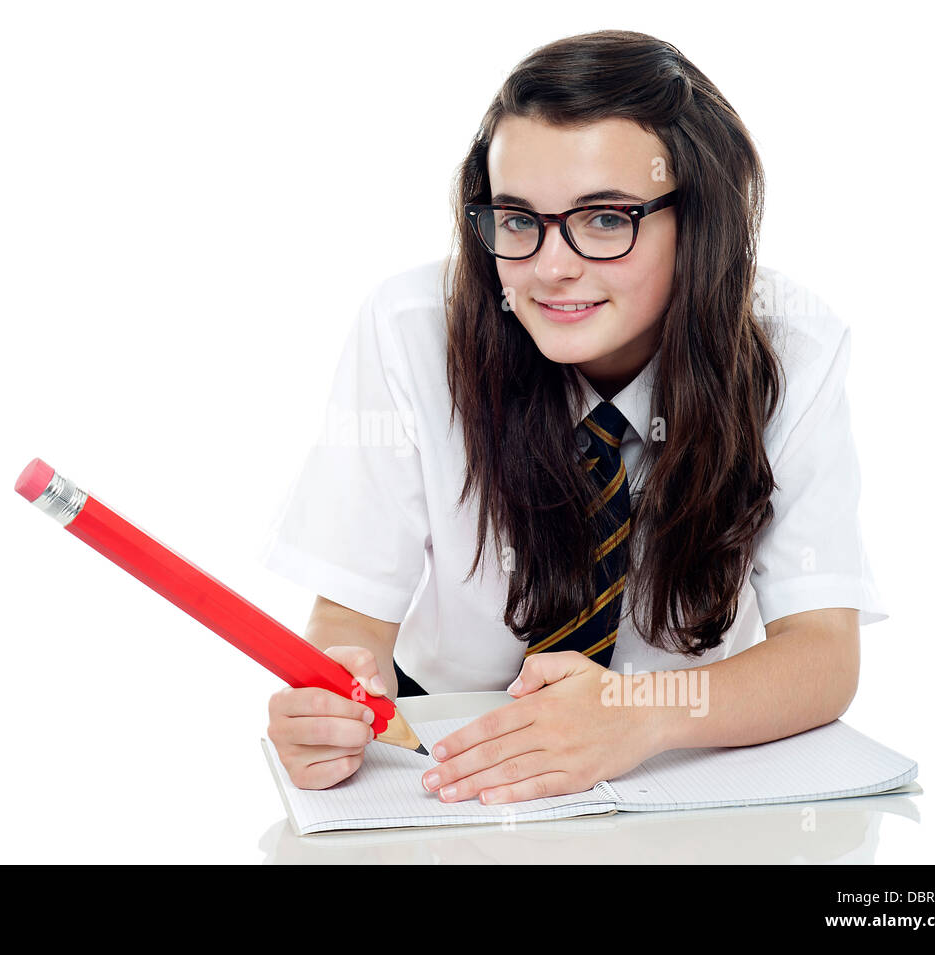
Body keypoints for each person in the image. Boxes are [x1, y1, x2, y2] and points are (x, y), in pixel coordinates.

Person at [261, 29, 886, 804]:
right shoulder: (411, 328)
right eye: (518, 220)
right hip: (446, 747)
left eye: (602, 219)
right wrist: (333, 695)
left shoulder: (793, 346)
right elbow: (348, 622)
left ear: (699, 221)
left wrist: (635, 714)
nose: (551, 268)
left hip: (681, 756)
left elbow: (822, 654)